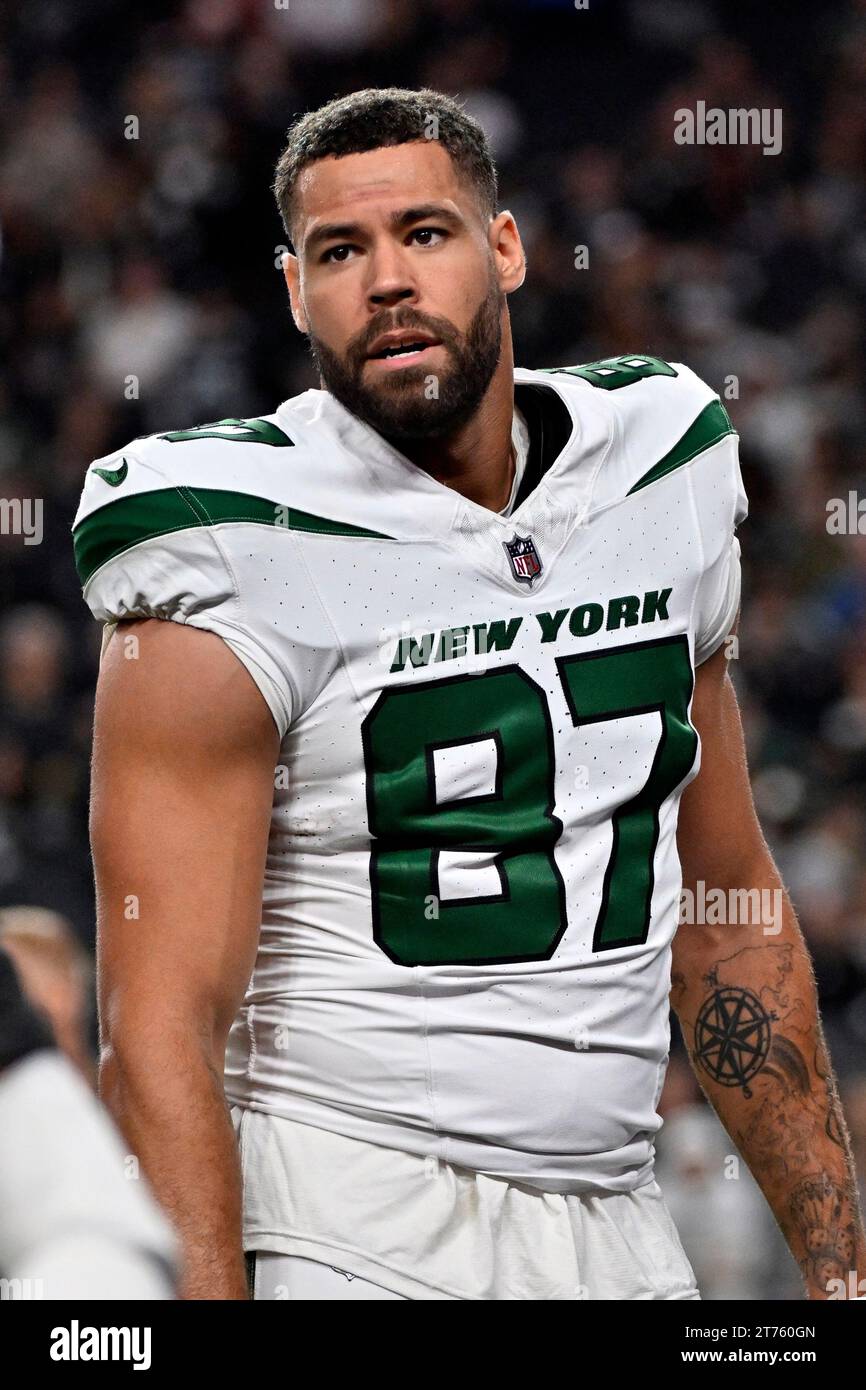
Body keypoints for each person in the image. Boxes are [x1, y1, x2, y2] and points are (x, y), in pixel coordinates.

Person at [74, 86, 865, 1300]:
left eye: (423, 234)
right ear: (295, 292)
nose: (386, 281)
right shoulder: (227, 533)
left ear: (504, 249)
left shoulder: (662, 461)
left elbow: (722, 911)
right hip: (348, 1224)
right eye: (339, 252)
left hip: (616, 1219)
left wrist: (836, 1271)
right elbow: (163, 1014)